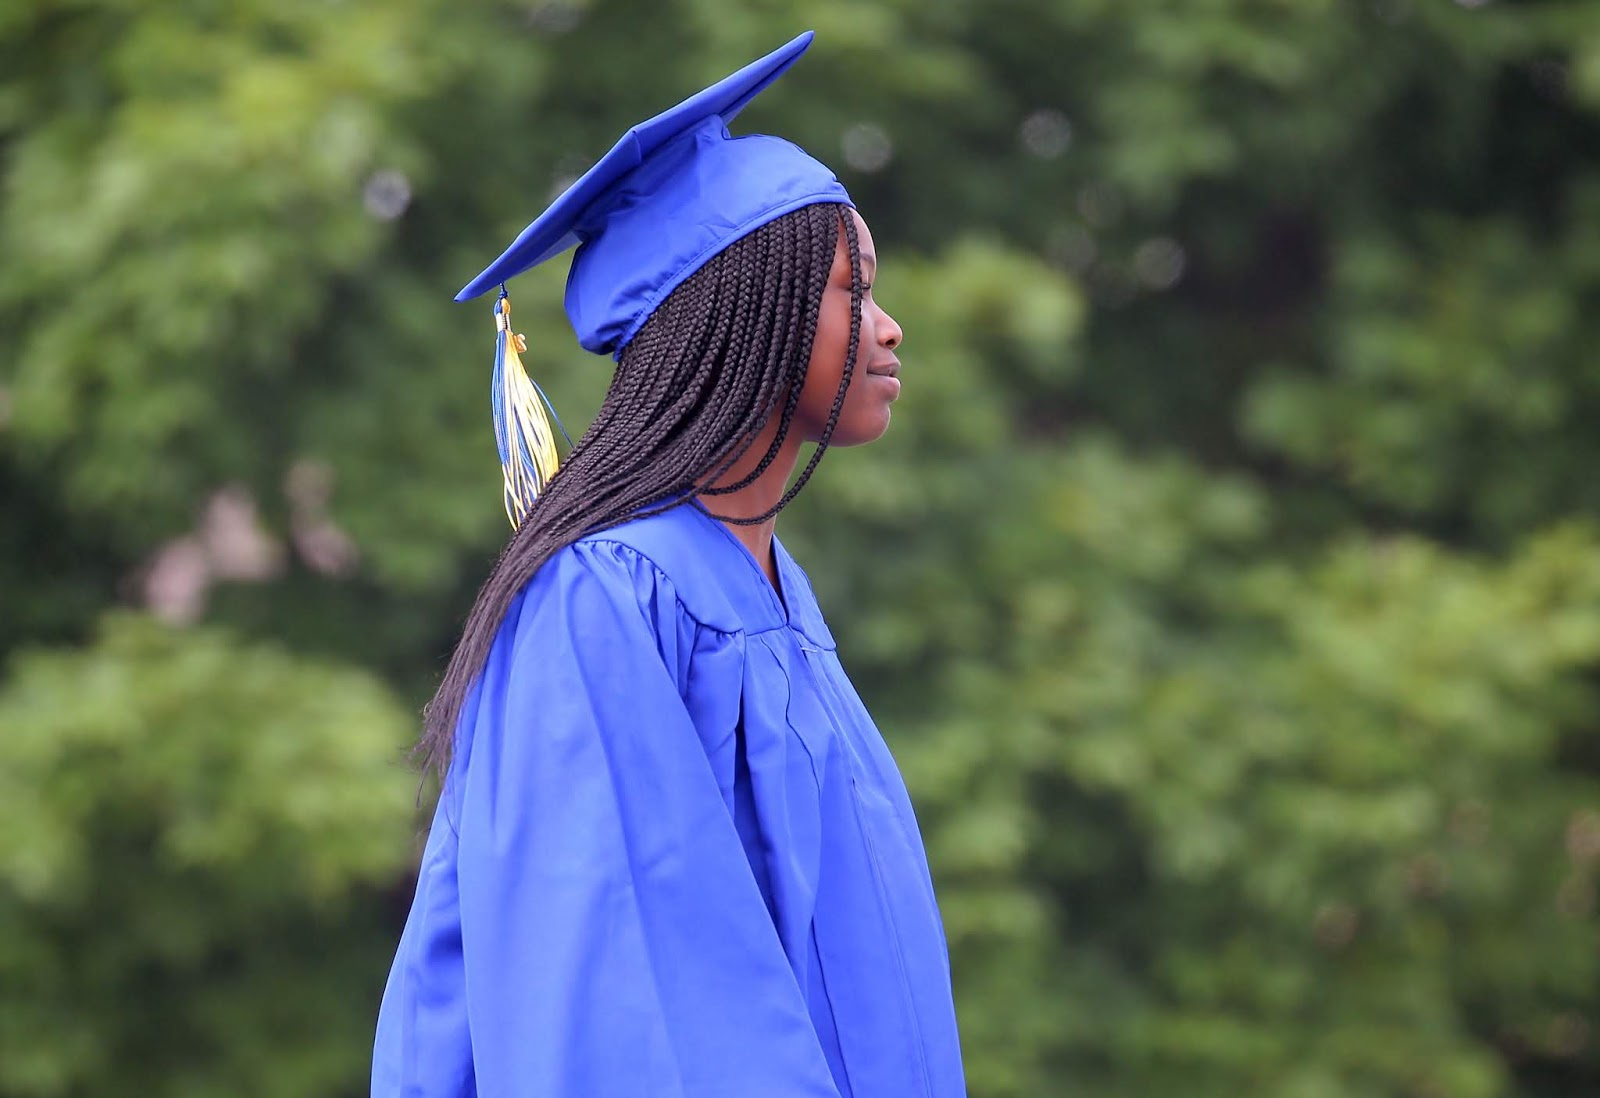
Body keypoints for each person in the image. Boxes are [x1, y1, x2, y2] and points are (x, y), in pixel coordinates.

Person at [371, 32, 966, 1097]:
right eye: (851, 292)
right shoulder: (604, 597)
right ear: (750, 317)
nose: (888, 328)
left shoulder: (771, 593)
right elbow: (633, 1002)